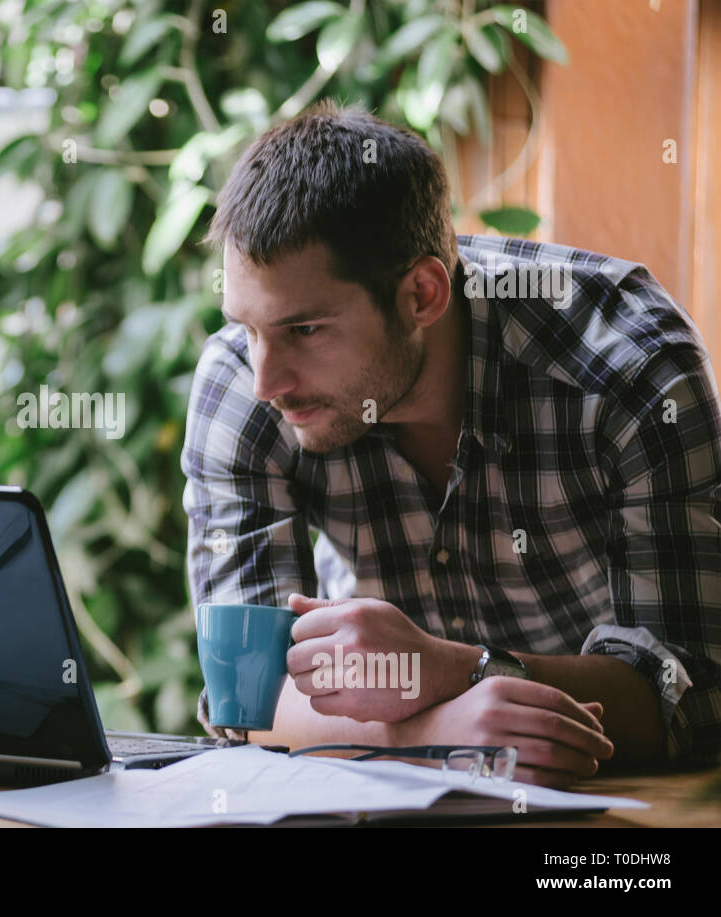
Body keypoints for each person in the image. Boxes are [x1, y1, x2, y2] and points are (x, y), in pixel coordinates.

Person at [183, 99, 721, 787]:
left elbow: (694, 689)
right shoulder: (241, 385)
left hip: (610, 790)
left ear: (422, 294)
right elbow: (243, 699)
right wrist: (439, 731)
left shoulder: (628, 368)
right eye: (247, 327)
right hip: (385, 781)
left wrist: (460, 667)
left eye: (305, 331)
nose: (267, 380)